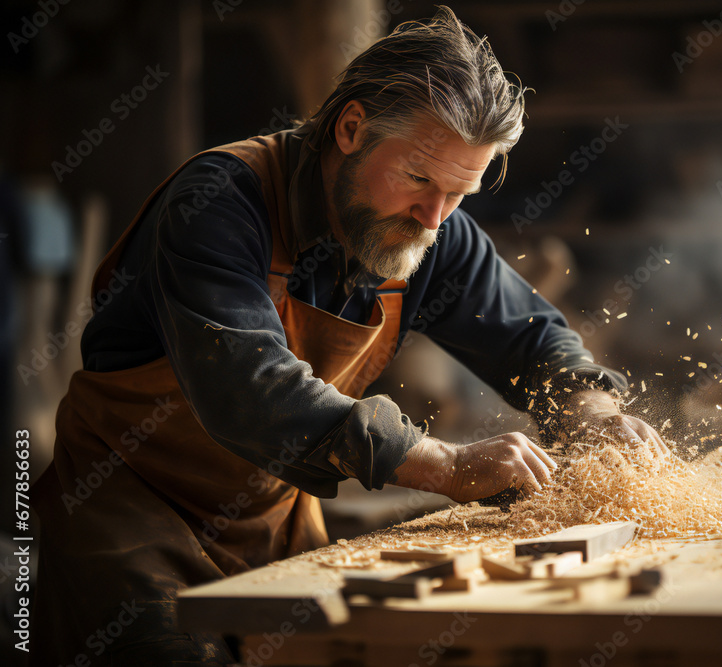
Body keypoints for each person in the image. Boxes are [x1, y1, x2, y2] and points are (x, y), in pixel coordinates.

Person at [31, 6, 668, 665]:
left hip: (271, 522)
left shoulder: (432, 229)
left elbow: (534, 340)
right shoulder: (218, 204)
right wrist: (445, 465)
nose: (434, 216)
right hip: (132, 509)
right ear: (351, 127)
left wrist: (591, 410)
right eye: (418, 178)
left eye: (462, 191)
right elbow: (248, 387)